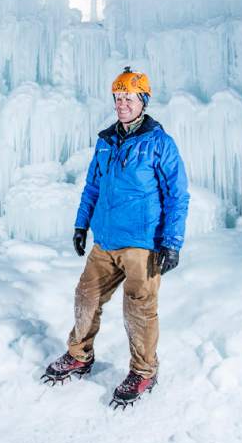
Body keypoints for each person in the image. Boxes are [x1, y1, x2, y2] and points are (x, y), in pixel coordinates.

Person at [42, 67, 190, 409]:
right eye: (118, 97)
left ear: (144, 101)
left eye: (129, 98)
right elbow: (93, 185)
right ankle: (79, 355)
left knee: (139, 308)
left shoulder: (160, 143)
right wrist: (81, 225)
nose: (122, 104)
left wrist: (172, 241)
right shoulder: (106, 141)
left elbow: (177, 196)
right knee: (85, 297)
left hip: (143, 243)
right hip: (105, 241)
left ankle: (143, 371)